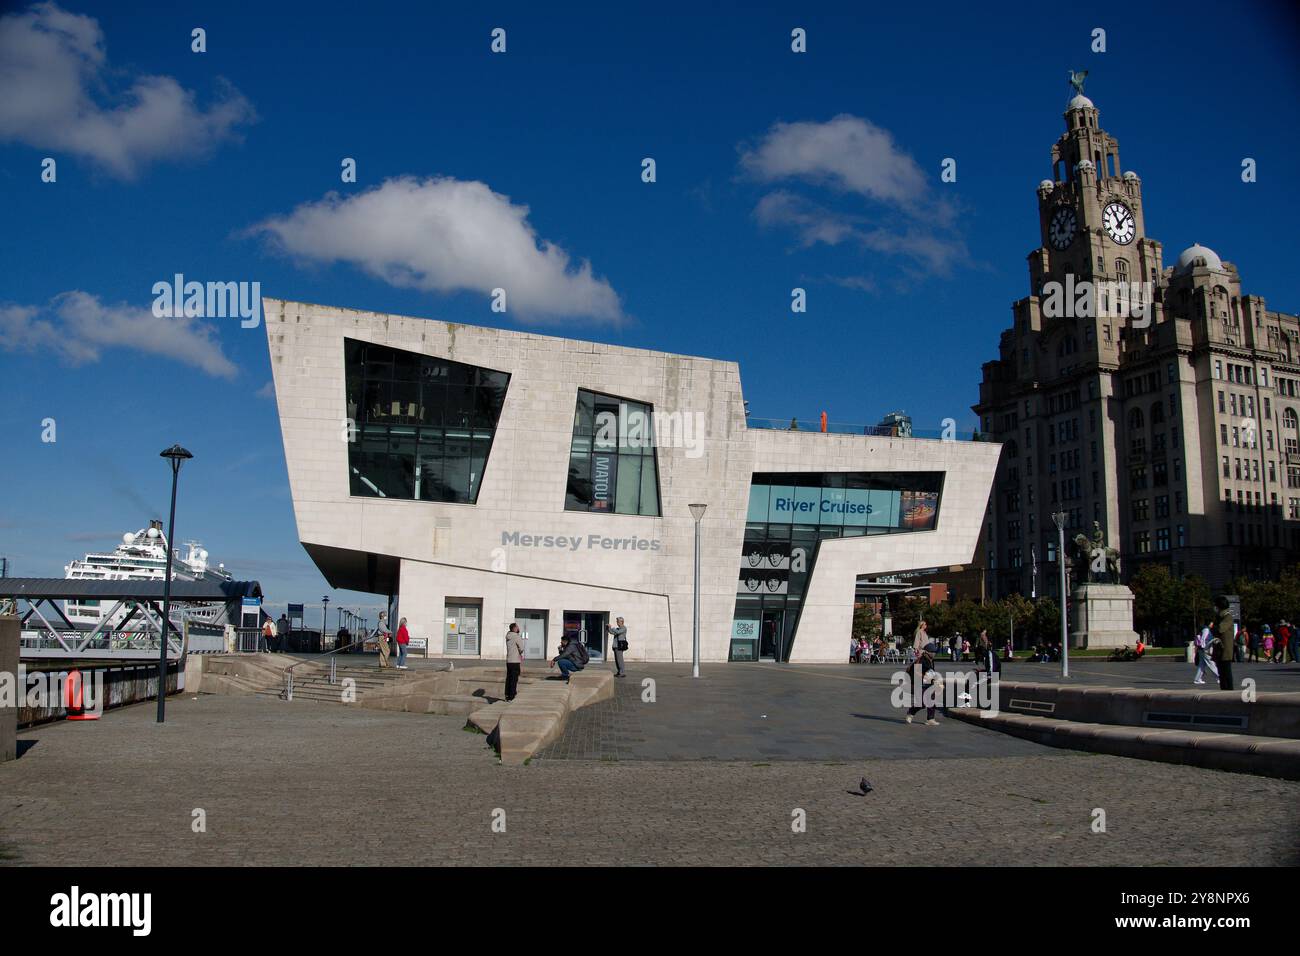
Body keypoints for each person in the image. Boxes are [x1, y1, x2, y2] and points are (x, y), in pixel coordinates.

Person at [905, 649, 939, 725]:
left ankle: (930, 719)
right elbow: (916, 672)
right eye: (933, 652)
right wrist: (925, 677)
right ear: (927, 652)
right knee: (921, 703)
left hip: (929, 683)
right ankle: (910, 713)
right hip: (920, 684)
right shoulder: (921, 660)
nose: (934, 654)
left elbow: (931, 671)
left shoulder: (931, 660)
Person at [1212, 597, 1235, 690]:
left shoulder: (1227, 617)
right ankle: (1223, 690)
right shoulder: (1219, 617)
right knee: (1221, 673)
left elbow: (1220, 629)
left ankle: (1229, 691)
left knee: (1226, 672)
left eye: (1216, 605)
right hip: (1219, 649)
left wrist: (1213, 627)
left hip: (1225, 649)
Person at [1193, 619, 1218, 685]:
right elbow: (1203, 639)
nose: (1212, 624)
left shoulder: (1204, 629)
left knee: (1202, 665)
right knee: (1211, 663)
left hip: (1201, 649)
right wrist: (1204, 648)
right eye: (1212, 623)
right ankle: (1219, 677)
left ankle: (1197, 679)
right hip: (1205, 649)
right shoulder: (1206, 629)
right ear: (1209, 623)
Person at [504, 623, 525, 701]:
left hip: (509, 660)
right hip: (515, 661)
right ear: (515, 628)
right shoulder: (516, 636)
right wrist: (520, 652)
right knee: (514, 679)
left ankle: (507, 695)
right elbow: (522, 648)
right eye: (517, 627)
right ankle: (512, 696)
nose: (518, 628)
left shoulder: (508, 636)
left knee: (508, 678)